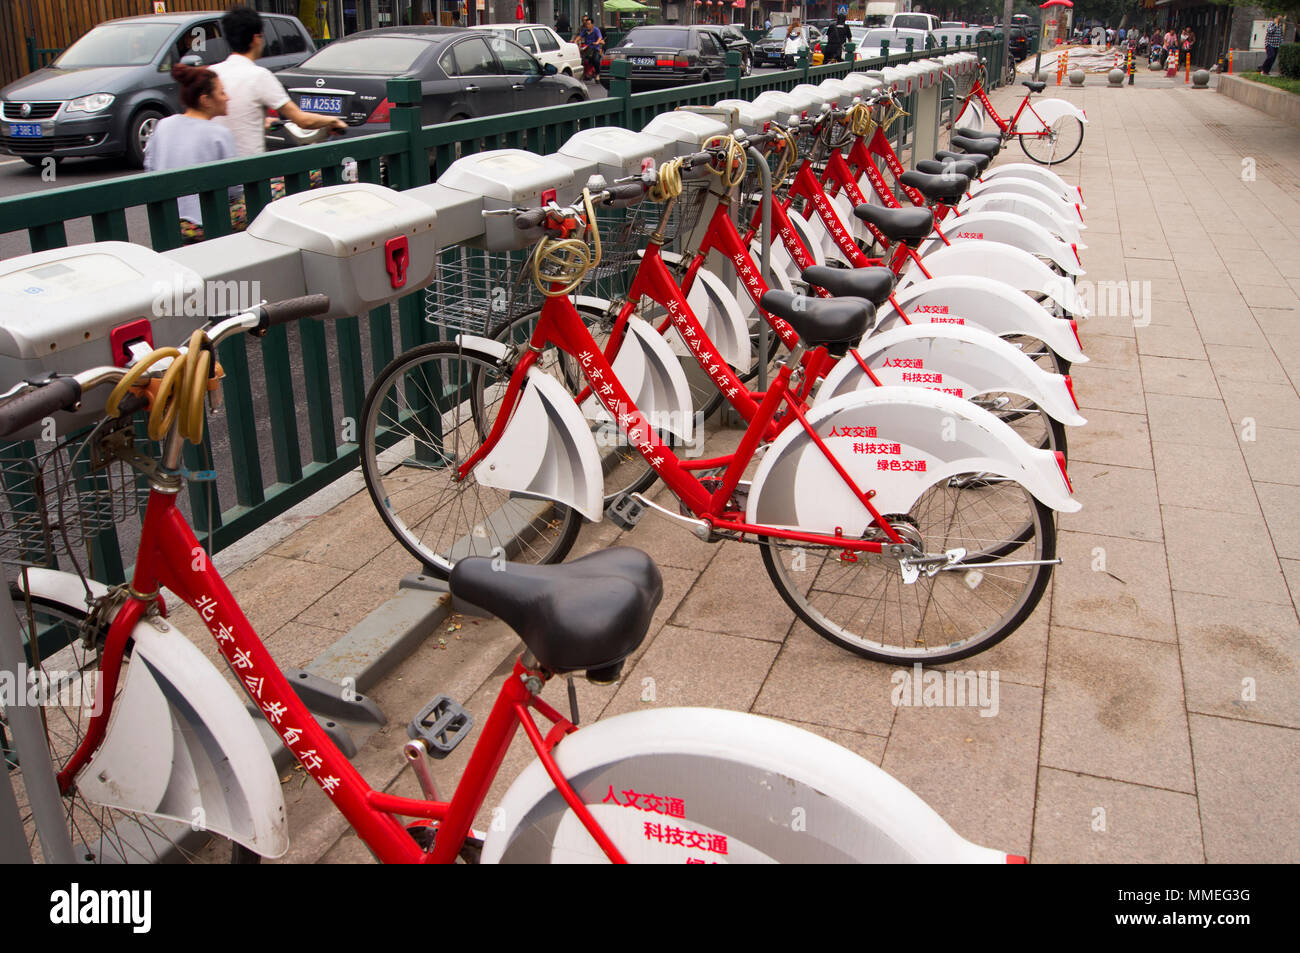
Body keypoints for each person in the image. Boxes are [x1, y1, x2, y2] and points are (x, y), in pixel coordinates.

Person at [210, 5, 344, 158]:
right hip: (248, 171)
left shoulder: (212, 73)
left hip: (215, 170)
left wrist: (261, 121)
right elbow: (302, 121)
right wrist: (334, 121)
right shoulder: (259, 75)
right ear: (256, 38)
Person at [144, 65, 240, 244]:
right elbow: (235, 190)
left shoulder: (163, 125)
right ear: (206, 100)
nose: (228, 97)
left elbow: (150, 168)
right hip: (203, 224)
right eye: (222, 93)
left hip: (167, 221)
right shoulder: (219, 133)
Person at [574, 14, 604, 81]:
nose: (587, 25)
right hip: (587, 48)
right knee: (582, 60)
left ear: (592, 24)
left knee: (596, 60)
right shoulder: (584, 30)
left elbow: (600, 37)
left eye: (588, 24)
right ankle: (583, 74)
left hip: (595, 48)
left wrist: (597, 42)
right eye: (586, 24)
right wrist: (576, 40)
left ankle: (597, 74)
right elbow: (579, 36)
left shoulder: (596, 30)